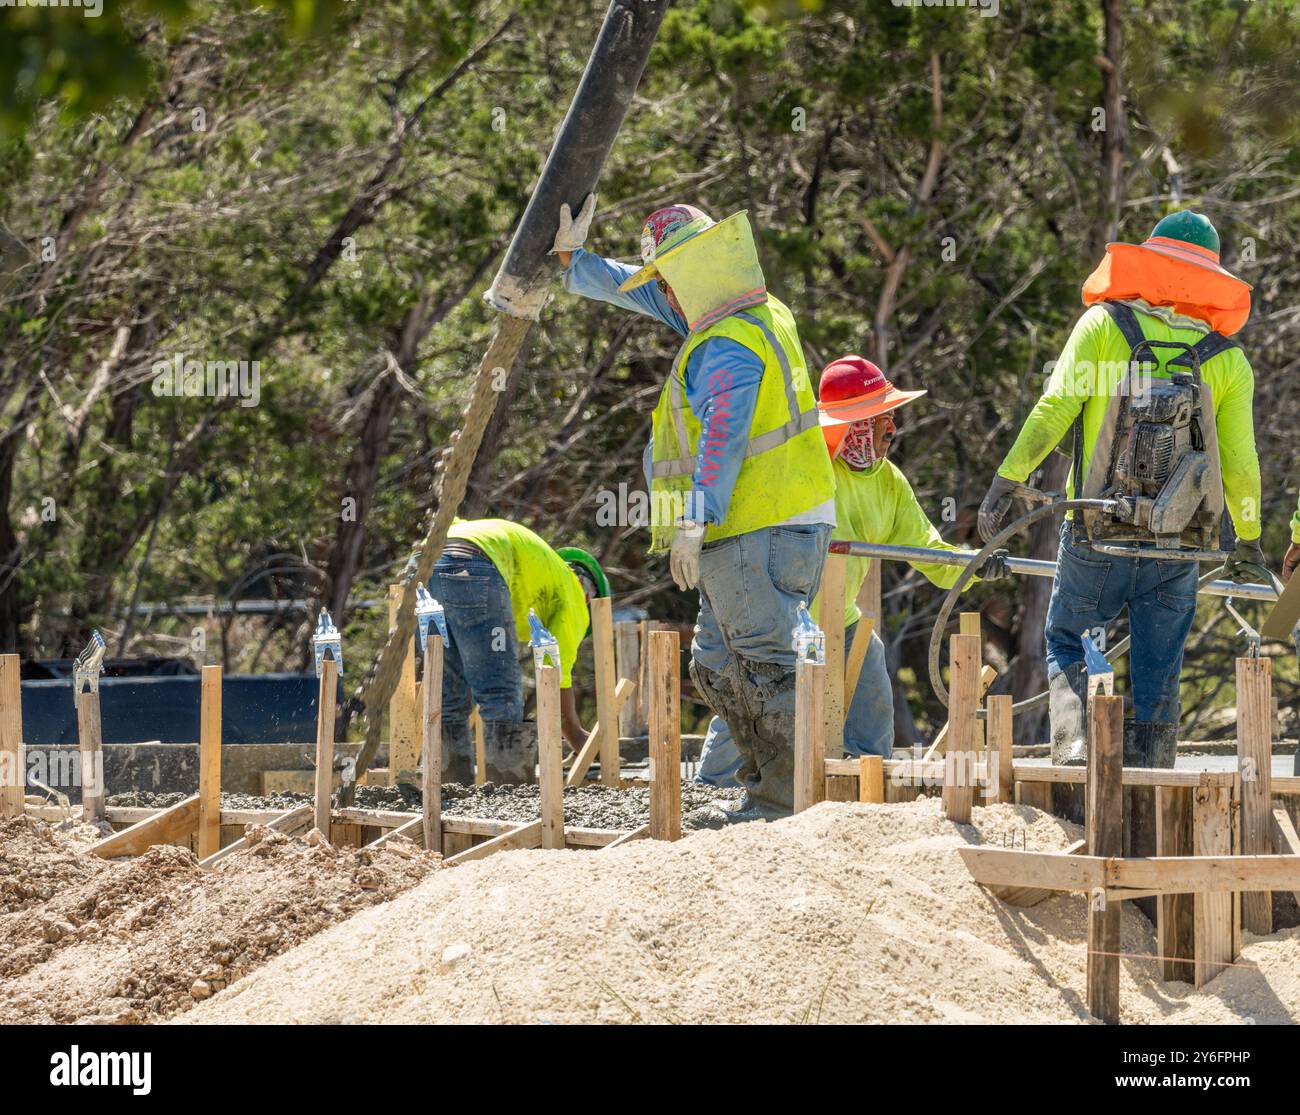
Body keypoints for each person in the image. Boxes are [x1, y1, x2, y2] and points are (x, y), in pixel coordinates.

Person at [553, 196, 836, 816]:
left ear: (693, 276)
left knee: (764, 665)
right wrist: (575, 262)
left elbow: (723, 432)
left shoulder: (724, 346)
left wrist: (694, 519)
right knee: (715, 664)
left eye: (669, 282)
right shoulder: (755, 314)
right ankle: (764, 787)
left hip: (750, 528)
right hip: (782, 524)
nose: (665, 297)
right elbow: (640, 290)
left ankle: (782, 803)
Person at [979, 210, 1261, 769]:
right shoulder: (1229, 360)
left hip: (1094, 530)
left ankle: (1074, 753)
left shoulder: (1103, 325)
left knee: (1067, 643)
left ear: (1148, 260)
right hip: (1180, 544)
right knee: (1160, 669)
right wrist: (1249, 540)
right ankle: (1152, 778)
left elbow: (1055, 408)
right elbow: (1240, 464)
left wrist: (1006, 483)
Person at [695, 355, 1008, 787]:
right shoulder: (806, 471)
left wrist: (974, 563)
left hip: (838, 622)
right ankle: (710, 790)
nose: (893, 430)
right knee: (751, 704)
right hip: (780, 624)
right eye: (883, 419)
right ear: (855, 425)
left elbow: (929, 554)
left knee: (873, 702)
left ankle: (863, 795)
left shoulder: (889, 482)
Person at [431, 517, 608, 784]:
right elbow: (554, 671)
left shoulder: (538, 569)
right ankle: (507, 794)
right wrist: (578, 736)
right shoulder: (573, 592)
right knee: (500, 692)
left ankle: (451, 791)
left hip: (427, 563)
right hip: (473, 564)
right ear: (589, 594)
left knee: (450, 695)